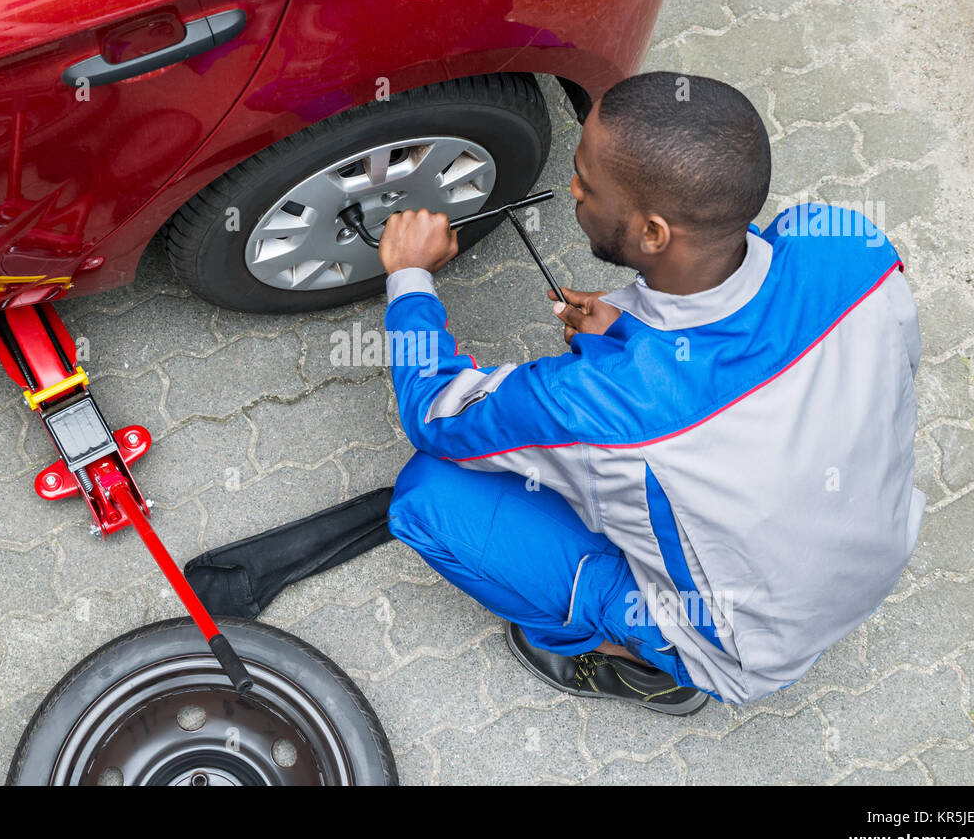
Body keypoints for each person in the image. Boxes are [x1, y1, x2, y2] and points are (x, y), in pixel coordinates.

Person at [378, 71, 925, 713]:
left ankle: (643, 662)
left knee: (428, 496)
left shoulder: (600, 405)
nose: (572, 190)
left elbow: (433, 413)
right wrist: (632, 330)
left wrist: (409, 277)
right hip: (874, 553)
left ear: (654, 234)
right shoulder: (850, 245)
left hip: (745, 647)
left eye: (584, 180)